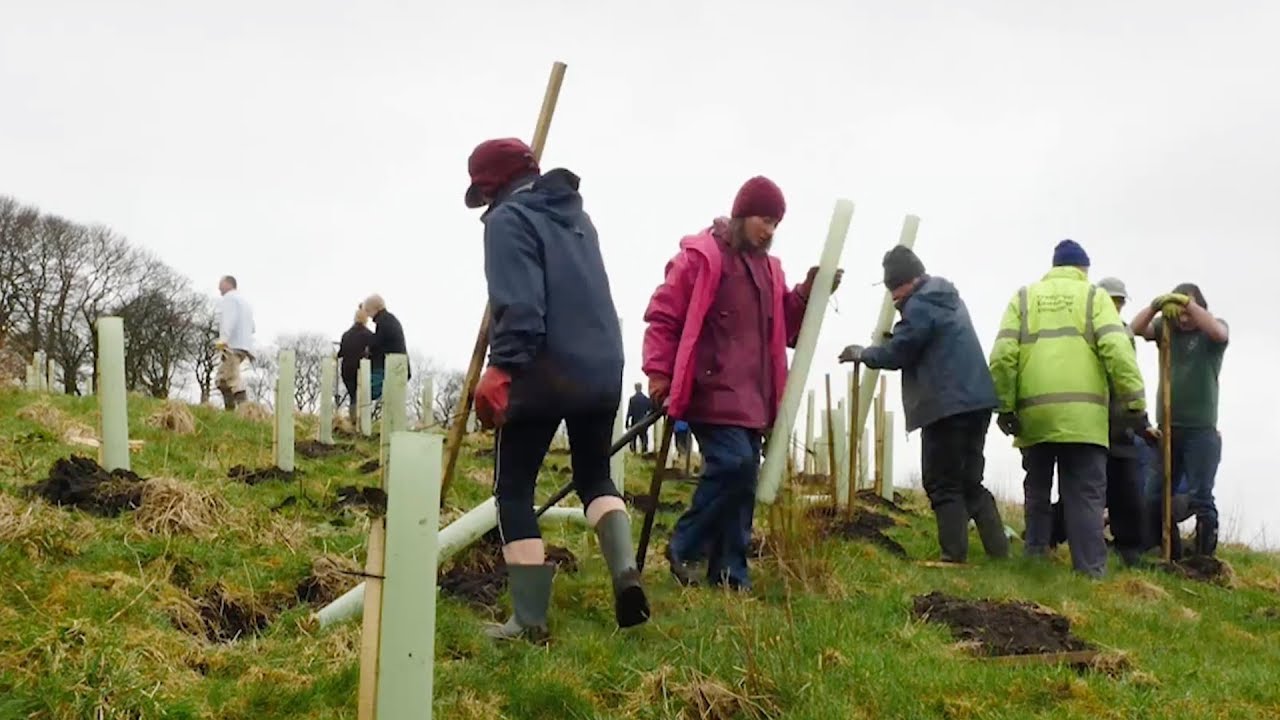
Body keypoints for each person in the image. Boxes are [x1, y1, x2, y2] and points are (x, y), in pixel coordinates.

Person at [465, 137, 648, 642]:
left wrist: (501, 368)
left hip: (543, 367)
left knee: (514, 489)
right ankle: (626, 575)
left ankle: (528, 621)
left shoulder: (507, 221)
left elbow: (521, 306)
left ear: (489, 186)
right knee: (595, 478)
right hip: (603, 364)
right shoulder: (576, 217)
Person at [642, 175, 842, 591]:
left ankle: (731, 574)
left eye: (775, 224)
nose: (769, 231)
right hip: (708, 390)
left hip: (755, 398)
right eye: (763, 220)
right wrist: (659, 373)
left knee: (744, 483)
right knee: (734, 465)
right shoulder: (701, 257)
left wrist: (808, 292)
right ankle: (686, 545)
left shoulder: (770, 271)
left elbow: (785, 327)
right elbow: (664, 316)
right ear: (741, 214)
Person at [987, 240, 1148, 578]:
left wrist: (1004, 407)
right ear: (1083, 270)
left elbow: (1002, 356)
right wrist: (1135, 402)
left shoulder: (1024, 298)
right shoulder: (1094, 298)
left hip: (1035, 416)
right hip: (1084, 419)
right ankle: (1090, 572)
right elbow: (1117, 351)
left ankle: (1034, 561)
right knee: (1085, 496)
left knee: (1038, 491)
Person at [838, 246, 1008, 564]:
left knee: (941, 481)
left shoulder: (920, 304)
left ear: (909, 280)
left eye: (894, 288)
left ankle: (953, 556)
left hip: (946, 407)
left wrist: (864, 353)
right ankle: (999, 553)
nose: (892, 297)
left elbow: (899, 352)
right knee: (971, 481)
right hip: (976, 402)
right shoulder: (948, 298)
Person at [1130, 282, 1228, 556]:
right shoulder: (1166, 330)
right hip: (1168, 428)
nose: (1184, 319)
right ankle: (1165, 549)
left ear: (1200, 308)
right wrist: (1155, 306)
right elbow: (1135, 330)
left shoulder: (1212, 331)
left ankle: (1204, 555)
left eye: (1189, 312)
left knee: (1201, 495)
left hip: (1201, 431)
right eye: (1180, 313)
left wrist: (1187, 304)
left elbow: (1218, 333)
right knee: (1154, 494)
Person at [1093, 276, 1150, 566]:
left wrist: (1142, 421)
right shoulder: (1093, 332)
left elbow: (1130, 382)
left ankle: (1129, 551)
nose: (1115, 306)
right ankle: (1050, 534)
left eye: (1119, 302)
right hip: (1096, 424)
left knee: (1125, 493)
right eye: (1112, 300)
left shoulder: (1124, 333)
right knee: (1089, 492)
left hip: (1121, 425)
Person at [214, 275, 255, 411]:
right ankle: (230, 410)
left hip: (232, 345)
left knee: (231, 379)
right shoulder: (244, 302)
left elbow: (228, 320)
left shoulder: (229, 299)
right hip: (243, 346)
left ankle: (246, 410)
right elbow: (252, 327)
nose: (219, 289)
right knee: (223, 379)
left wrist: (223, 340)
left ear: (228, 284)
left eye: (221, 285)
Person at [362, 294, 409, 401]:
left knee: (367, 393)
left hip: (390, 368)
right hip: (398, 366)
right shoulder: (389, 320)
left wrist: (368, 349)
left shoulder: (383, 322)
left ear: (375, 309)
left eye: (368, 312)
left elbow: (377, 344)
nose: (369, 316)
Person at [337, 305, 374, 424]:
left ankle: (353, 421)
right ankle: (360, 422)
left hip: (346, 370)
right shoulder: (369, 335)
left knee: (353, 395)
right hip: (360, 370)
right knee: (361, 397)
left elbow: (341, 353)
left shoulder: (346, 335)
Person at [626, 382, 653, 453]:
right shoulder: (646, 399)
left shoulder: (632, 399)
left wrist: (626, 422)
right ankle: (644, 451)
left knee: (633, 438)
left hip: (634, 421)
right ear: (641, 388)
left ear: (635, 388)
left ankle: (633, 452)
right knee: (644, 437)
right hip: (644, 421)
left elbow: (629, 412)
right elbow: (651, 409)